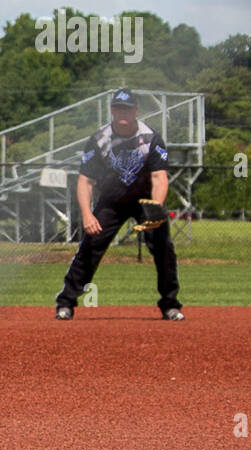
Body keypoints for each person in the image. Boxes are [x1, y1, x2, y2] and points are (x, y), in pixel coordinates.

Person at [55, 88, 183, 321]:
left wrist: (155, 209)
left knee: (164, 247)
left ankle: (170, 305)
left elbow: (159, 177)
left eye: (127, 108)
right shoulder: (99, 140)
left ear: (136, 110)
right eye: (118, 108)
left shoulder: (151, 138)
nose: (122, 112)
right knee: (90, 244)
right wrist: (86, 214)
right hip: (112, 201)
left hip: (146, 201)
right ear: (112, 110)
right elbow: (85, 180)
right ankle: (65, 303)